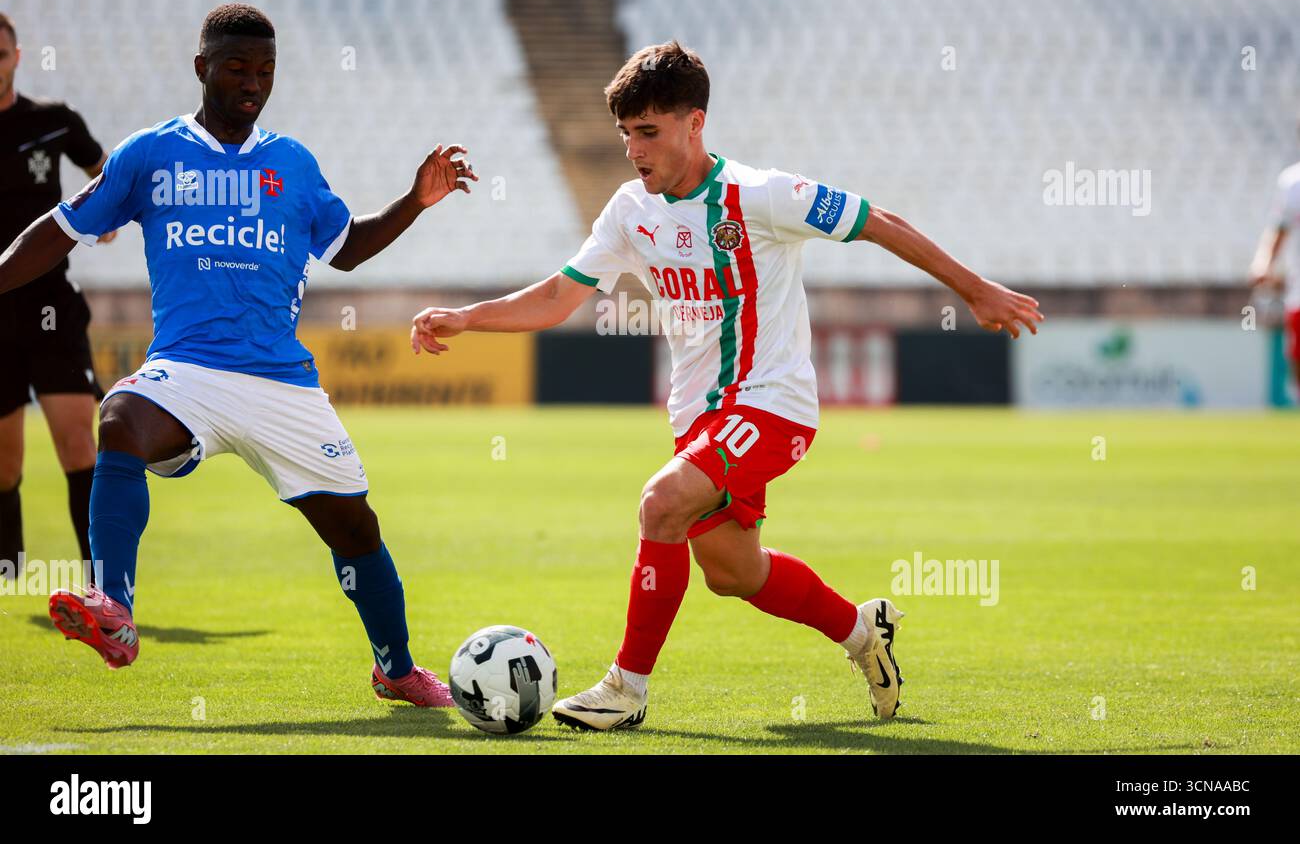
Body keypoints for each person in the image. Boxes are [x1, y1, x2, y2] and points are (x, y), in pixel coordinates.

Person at [411, 40, 1044, 730]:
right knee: (735, 574)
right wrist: (467, 318)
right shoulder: (631, 210)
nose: (635, 150)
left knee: (660, 504)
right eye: (626, 135)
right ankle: (865, 635)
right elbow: (560, 296)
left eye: (648, 132)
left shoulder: (763, 197)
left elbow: (878, 222)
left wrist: (977, 291)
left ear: (694, 122)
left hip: (774, 406)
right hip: (698, 417)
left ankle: (626, 688)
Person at [0, 4, 477, 707]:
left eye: (265, 71)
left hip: (281, 382)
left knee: (355, 528)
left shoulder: (292, 162)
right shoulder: (150, 154)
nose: (252, 83)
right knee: (120, 419)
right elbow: (61, 228)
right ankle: (115, 609)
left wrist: (415, 199)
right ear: (202, 68)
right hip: (187, 372)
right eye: (236, 68)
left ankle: (396, 668)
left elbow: (347, 248)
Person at [0, 11, 114, 571]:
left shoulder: (53, 121)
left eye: (0, 55)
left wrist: (108, 210)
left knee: (79, 444)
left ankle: (104, 586)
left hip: (50, 304)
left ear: (16, 58)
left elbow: (107, 171)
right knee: (3, 463)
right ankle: (8, 576)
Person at [1248, 139, 1300, 389]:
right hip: (1299, 292)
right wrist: (1264, 262)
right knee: (1297, 364)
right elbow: (1279, 229)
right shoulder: (1293, 183)